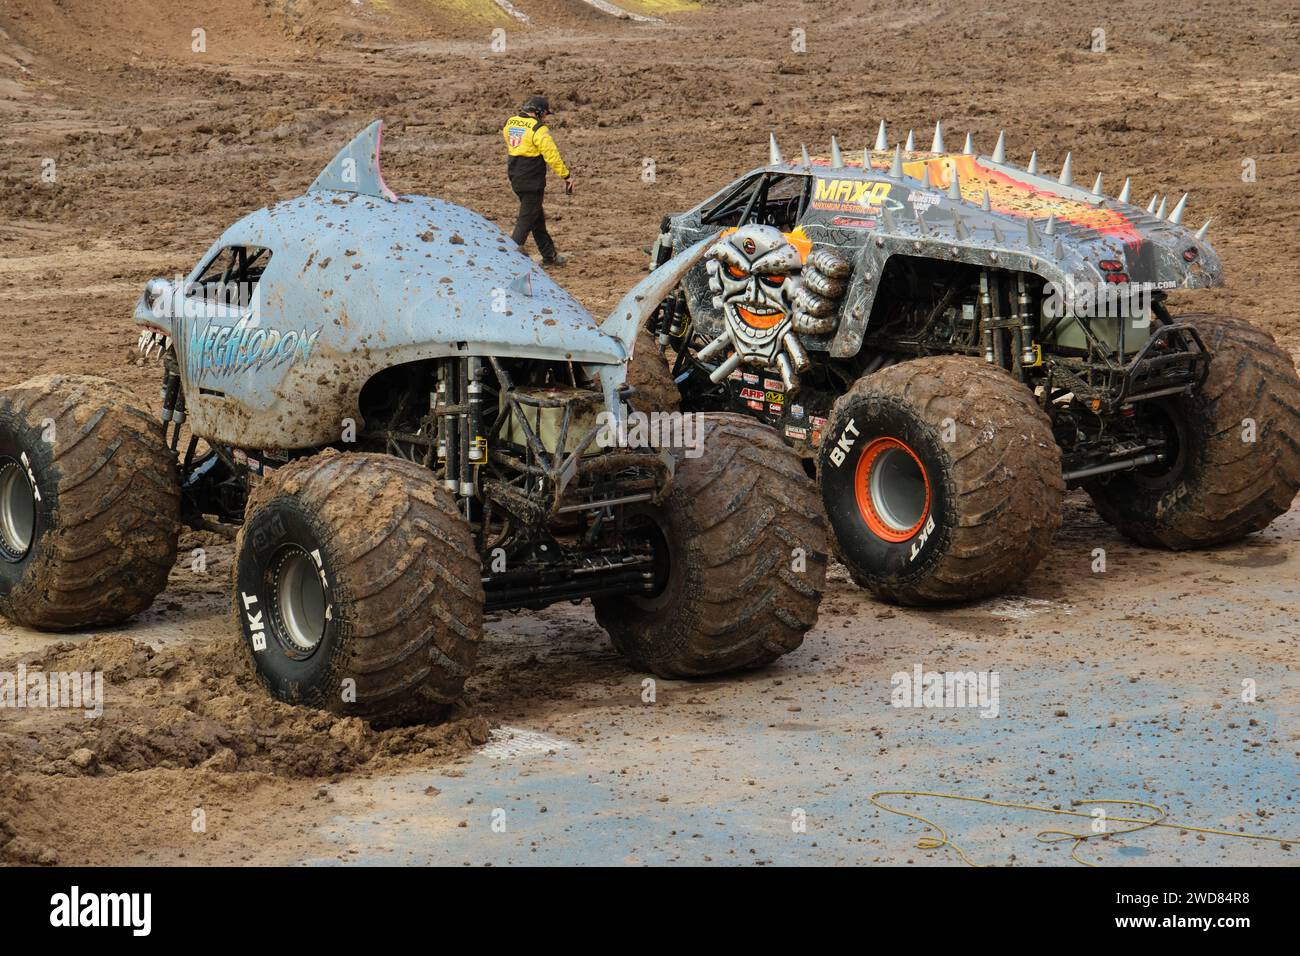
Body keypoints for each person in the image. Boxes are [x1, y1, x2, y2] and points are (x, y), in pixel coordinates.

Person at [501, 95, 573, 266]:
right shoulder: (538, 129)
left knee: (536, 217)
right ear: (539, 112)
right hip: (532, 179)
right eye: (545, 114)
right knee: (526, 219)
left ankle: (549, 256)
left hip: (515, 175)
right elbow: (552, 156)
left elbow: (510, 142)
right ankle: (508, 260)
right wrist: (566, 176)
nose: (545, 118)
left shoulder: (510, 122)